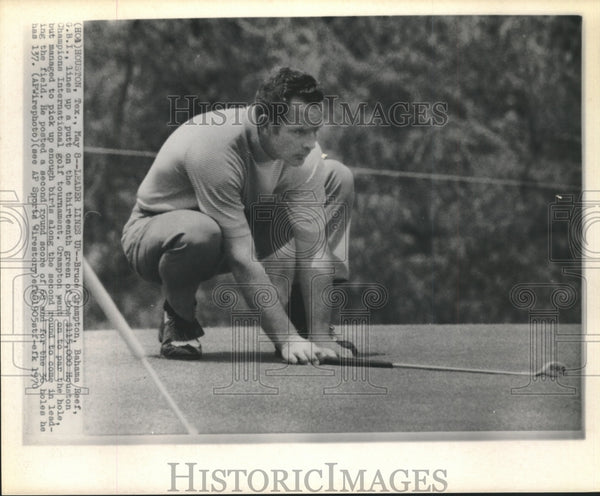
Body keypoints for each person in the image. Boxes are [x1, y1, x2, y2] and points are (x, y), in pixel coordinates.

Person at [121, 67, 356, 364]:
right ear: (263, 121)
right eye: (298, 131)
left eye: (314, 131)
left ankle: (307, 324)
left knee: (336, 176)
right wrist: (285, 339)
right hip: (156, 233)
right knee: (201, 232)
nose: (310, 144)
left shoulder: (306, 153)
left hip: (238, 219)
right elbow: (242, 257)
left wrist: (320, 339)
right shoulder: (215, 148)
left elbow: (314, 249)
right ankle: (178, 319)